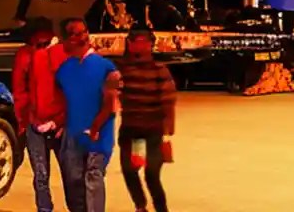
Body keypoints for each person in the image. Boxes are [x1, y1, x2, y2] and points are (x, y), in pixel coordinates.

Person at [54, 17, 120, 212]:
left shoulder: (106, 68)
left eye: (83, 32)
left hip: (97, 135)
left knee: (93, 179)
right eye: (76, 33)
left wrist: (95, 127)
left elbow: (110, 104)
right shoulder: (64, 70)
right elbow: (60, 100)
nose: (82, 36)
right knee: (74, 182)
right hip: (73, 134)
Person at [11, 17, 74, 212]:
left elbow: (20, 91)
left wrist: (22, 121)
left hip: (39, 123)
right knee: (68, 173)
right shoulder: (62, 53)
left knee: (42, 175)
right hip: (54, 123)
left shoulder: (26, 55)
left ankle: (46, 209)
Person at [117, 29, 176, 212]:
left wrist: (167, 132)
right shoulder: (122, 69)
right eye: (136, 42)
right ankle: (140, 206)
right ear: (130, 44)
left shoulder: (160, 70)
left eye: (145, 42)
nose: (140, 46)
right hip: (130, 130)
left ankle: (161, 209)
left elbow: (168, 101)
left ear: (151, 44)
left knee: (151, 174)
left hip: (153, 131)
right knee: (129, 169)